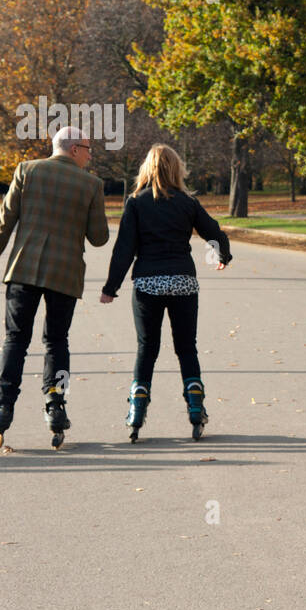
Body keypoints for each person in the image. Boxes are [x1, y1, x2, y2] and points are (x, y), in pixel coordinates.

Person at [0, 126, 109, 447]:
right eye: (88, 148)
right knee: (56, 341)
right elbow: (99, 237)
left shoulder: (27, 171)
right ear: (74, 148)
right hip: (66, 274)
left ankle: (2, 407)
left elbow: (4, 222)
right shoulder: (92, 185)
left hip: (24, 269)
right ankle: (55, 405)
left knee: (15, 340)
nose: (91, 155)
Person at [100, 144, 231, 441]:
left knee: (147, 348)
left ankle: (136, 411)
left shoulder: (135, 202)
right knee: (186, 348)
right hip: (183, 282)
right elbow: (213, 230)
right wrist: (222, 255)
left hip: (148, 282)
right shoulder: (188, 202)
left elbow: (124, 248)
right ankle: (196, 408)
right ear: (177, 168)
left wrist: (111, 287)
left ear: (147, 168)